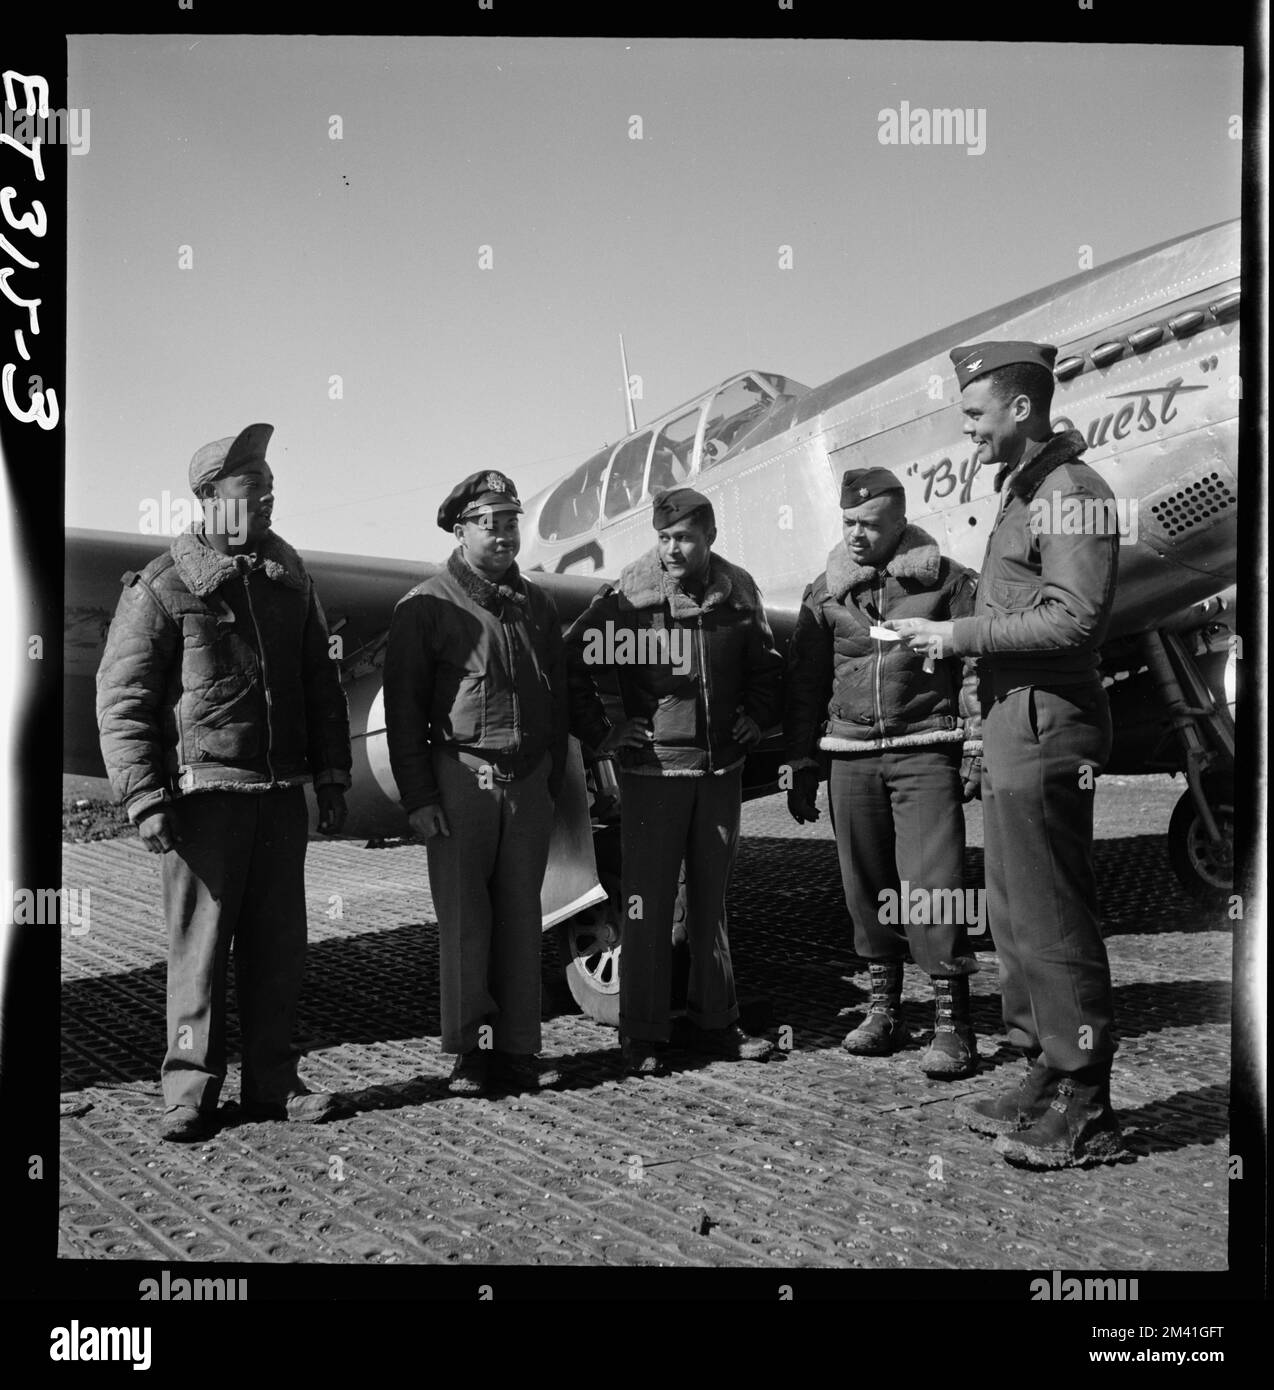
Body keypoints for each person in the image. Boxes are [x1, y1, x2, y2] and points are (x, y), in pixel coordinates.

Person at [889, 340, 1126, 1168]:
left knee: (1054, 912)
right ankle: (1039, 1068)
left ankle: (1085, 1099)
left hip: (1046, 724)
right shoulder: (1025, 493)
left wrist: (955, 635)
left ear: (1021, 409)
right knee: (1017, 912)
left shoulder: (1071, 494)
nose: (969, 433)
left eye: (975, 415)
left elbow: (1075, 619)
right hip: (1009, 723)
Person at [96, 423, 352, 1142]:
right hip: (201, 802)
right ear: (210, 498)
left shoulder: (290, 580)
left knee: (279, 949)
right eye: (252, 490)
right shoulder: (162, 587)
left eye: (271, 489)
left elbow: (321, 685)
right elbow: (122, 700)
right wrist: (143, 797)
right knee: (198, 951)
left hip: (278, 800)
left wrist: (332, 778)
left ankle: (274, 1083)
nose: (267, 500)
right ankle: (188, 1091)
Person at [382, 470, 625, 1096]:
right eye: (487, 523)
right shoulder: (426, 607)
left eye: (510, 521)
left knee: (520, 918)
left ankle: (518, 1049)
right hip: (462, 778)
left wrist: (569, 763)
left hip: (528, 783)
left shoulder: (538, 605)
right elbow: (404, 713)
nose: (501, 534)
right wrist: (420, 799)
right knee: (467, 921)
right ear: (461, 530)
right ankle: (471, 1052)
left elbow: (563, 690)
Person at [565, 487, 783, 1076]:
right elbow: (570, 664)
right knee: (645, 905)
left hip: (719, 774)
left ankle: (717, 1023)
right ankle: (642, 1034)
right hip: (653, 773)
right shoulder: (629, 600)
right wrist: (605, 733)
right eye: (663, 537)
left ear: (709, 536)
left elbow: (767, 667)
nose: (671, 548)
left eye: (683, 537)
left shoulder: (738, 595)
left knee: (710, 905)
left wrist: (756, 718)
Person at [784, 467, 982, 1078]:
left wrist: (974, 744)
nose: (857, 536)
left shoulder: (948, 582)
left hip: (926, 747)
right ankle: (885, 1009)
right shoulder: (825, 593)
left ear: (900, 522)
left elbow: (975, 665)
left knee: (933, 883)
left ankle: (953, 1021)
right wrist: (801, 760)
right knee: (864, 886)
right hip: (848, 754)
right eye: (848, 524)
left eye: (870, 525)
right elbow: (805, 680)